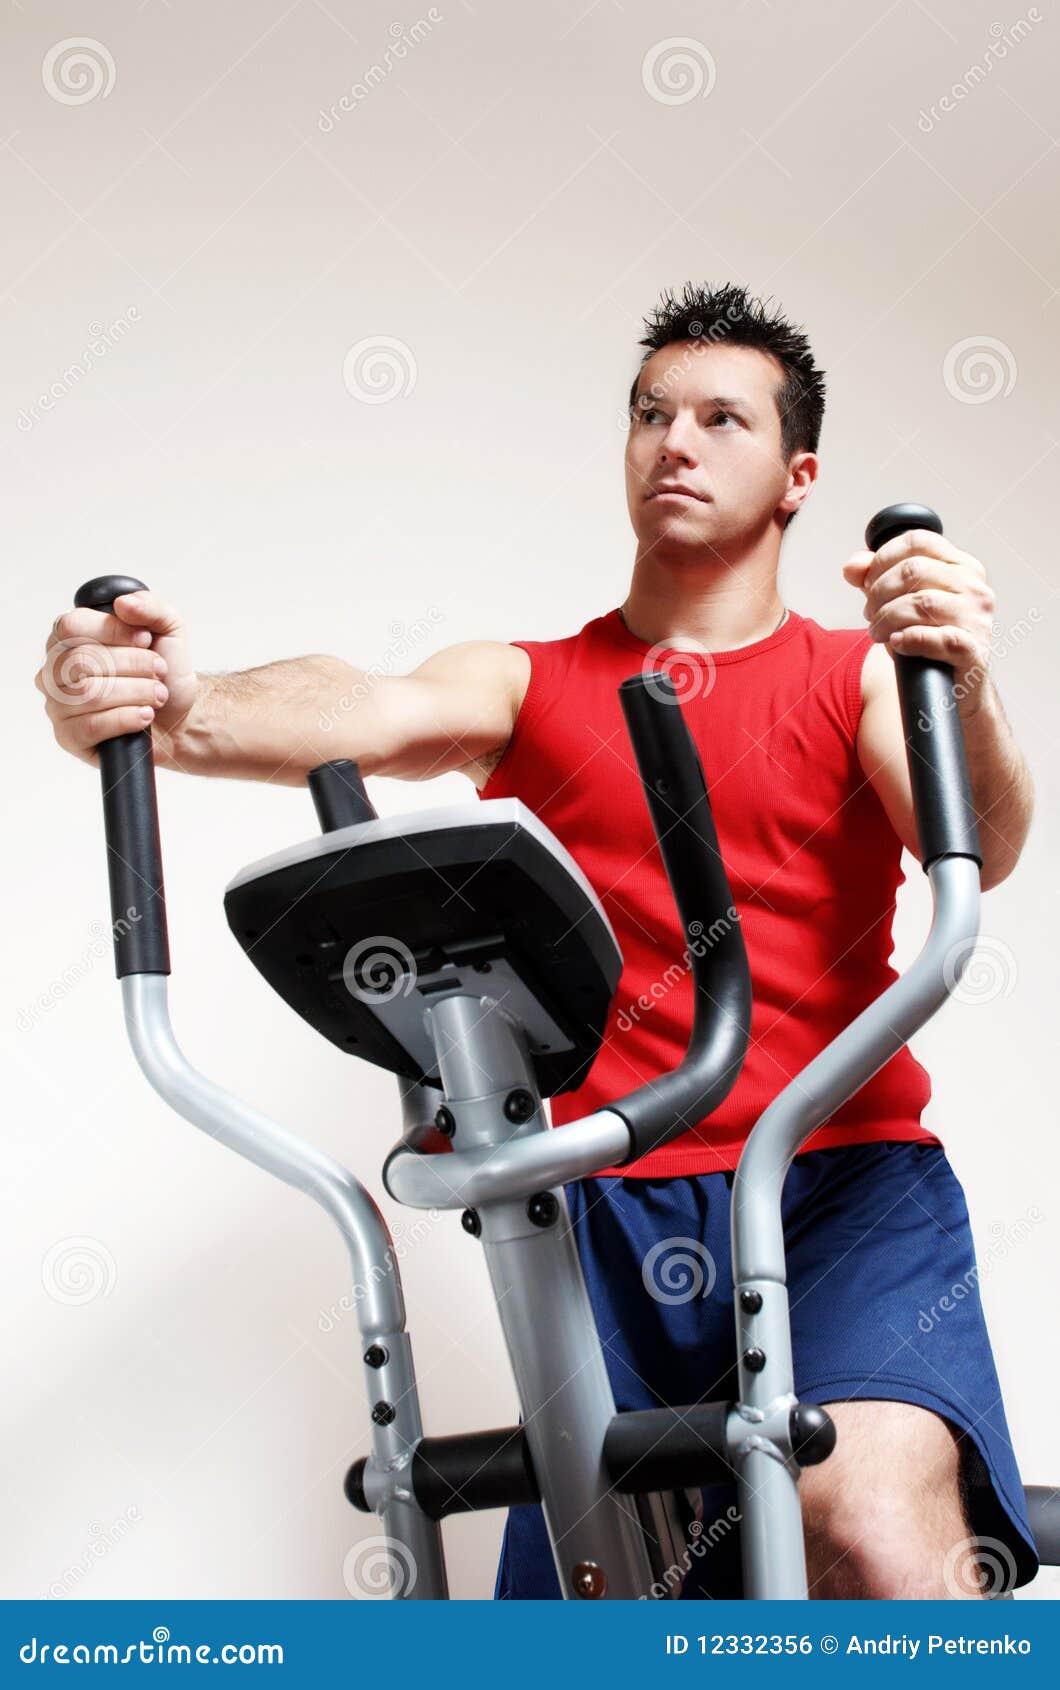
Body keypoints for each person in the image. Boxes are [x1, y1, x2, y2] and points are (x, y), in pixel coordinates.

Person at [36, 281, 1037, 1600]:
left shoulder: (856, 674)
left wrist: (958, 676)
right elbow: (362, 703)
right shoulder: (530, 682)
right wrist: (167, 699)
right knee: (591, 1603)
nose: (674, 442)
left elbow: (986, 839)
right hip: (597, 1203)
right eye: (651, 414)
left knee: (869, 1531)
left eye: (721, 419)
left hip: (836, 1182)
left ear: (798, 477)